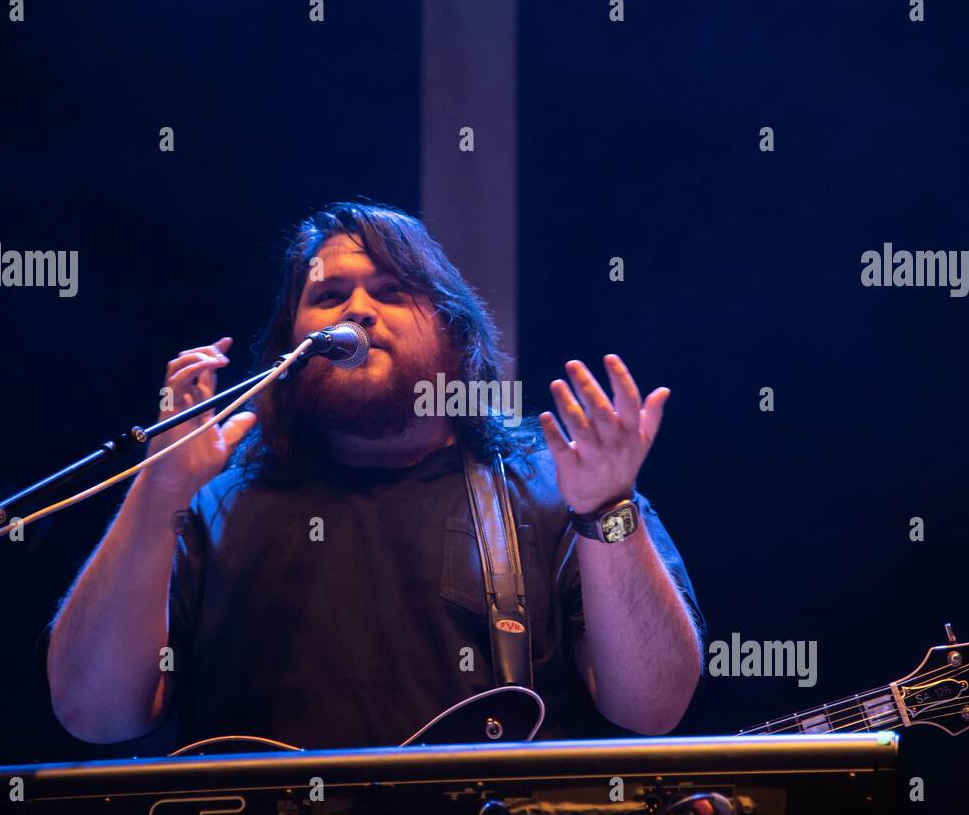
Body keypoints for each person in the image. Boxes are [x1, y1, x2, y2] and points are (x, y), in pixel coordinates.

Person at [46, 202, 705, 750]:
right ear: (288, 348)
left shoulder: (552, 484)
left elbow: (653, 708)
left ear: (453, 332)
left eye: (391, 292)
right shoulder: (213, 501)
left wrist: (606, 509)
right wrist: (157, 486)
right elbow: (93, 714)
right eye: (329, 295)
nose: (357, 310)